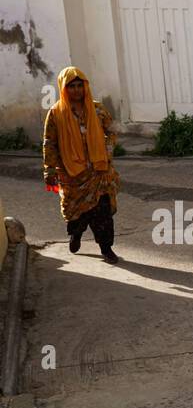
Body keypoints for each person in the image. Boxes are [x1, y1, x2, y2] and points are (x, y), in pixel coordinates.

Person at [42, 66, 121, 264]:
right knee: (75, 214)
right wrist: (49, 169)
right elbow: (49, 142)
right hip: (71, 175)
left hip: (98, 171)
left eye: (80, 85)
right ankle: (76, 234)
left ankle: (106, 248)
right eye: (71, 86)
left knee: (102, 211)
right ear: (63, 88)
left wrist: (107, 152)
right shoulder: (55, 113)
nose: (76, 90)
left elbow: (111, 131)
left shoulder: (97, 109)